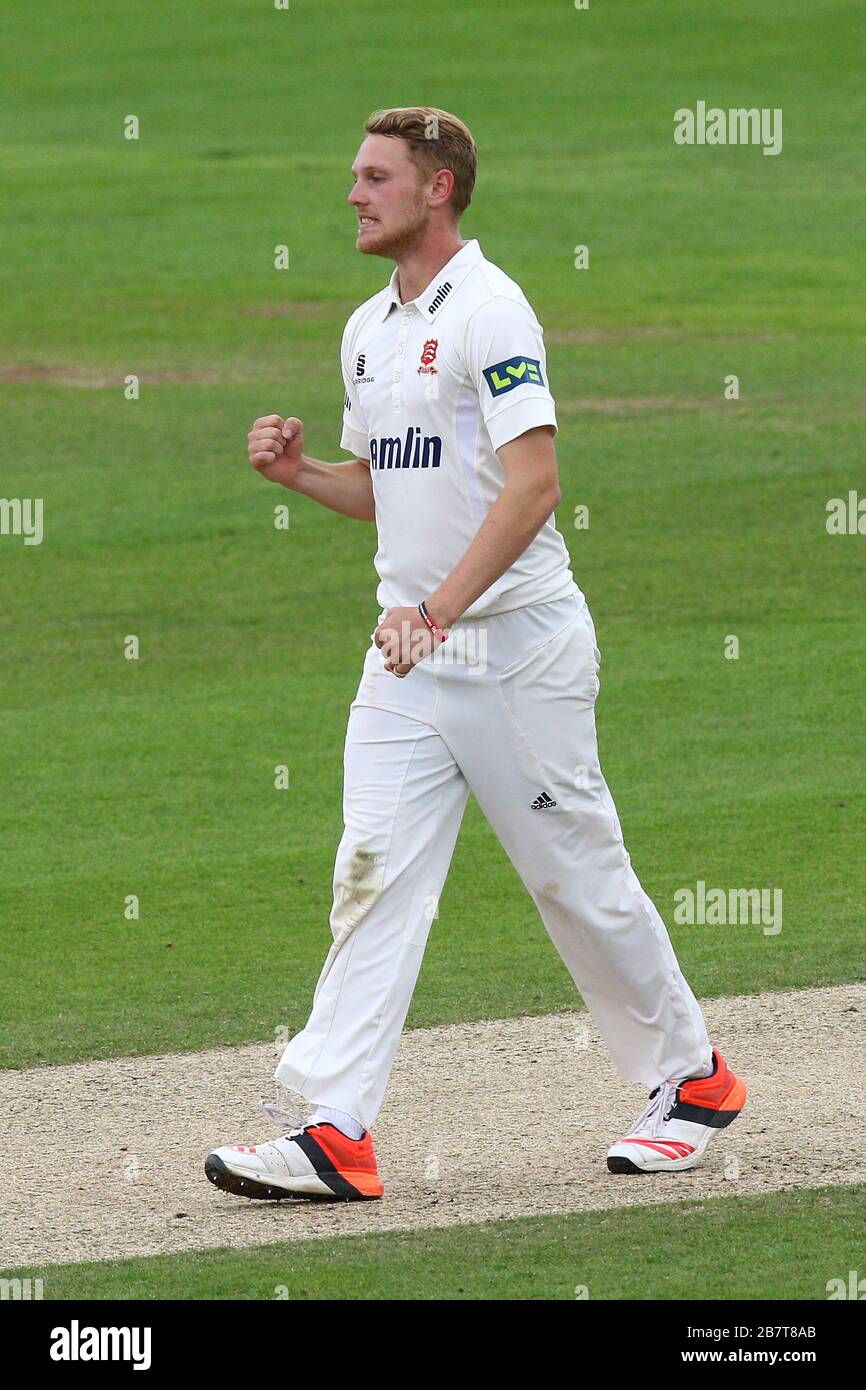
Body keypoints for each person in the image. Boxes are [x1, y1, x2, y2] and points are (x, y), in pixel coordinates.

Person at [205, 107, 745, 1203]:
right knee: (370, 874)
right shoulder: (367, 329)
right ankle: (332, 1129)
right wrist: (299, 476)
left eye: (373, 177)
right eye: (353, 177)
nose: (352, 196)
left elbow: (533, 486)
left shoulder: (492, 312)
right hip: (408, 658)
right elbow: (386, 488)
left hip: (514, 654)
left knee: (573, 876)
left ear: (437, 188)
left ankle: (691, 1081)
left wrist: (437, 612)